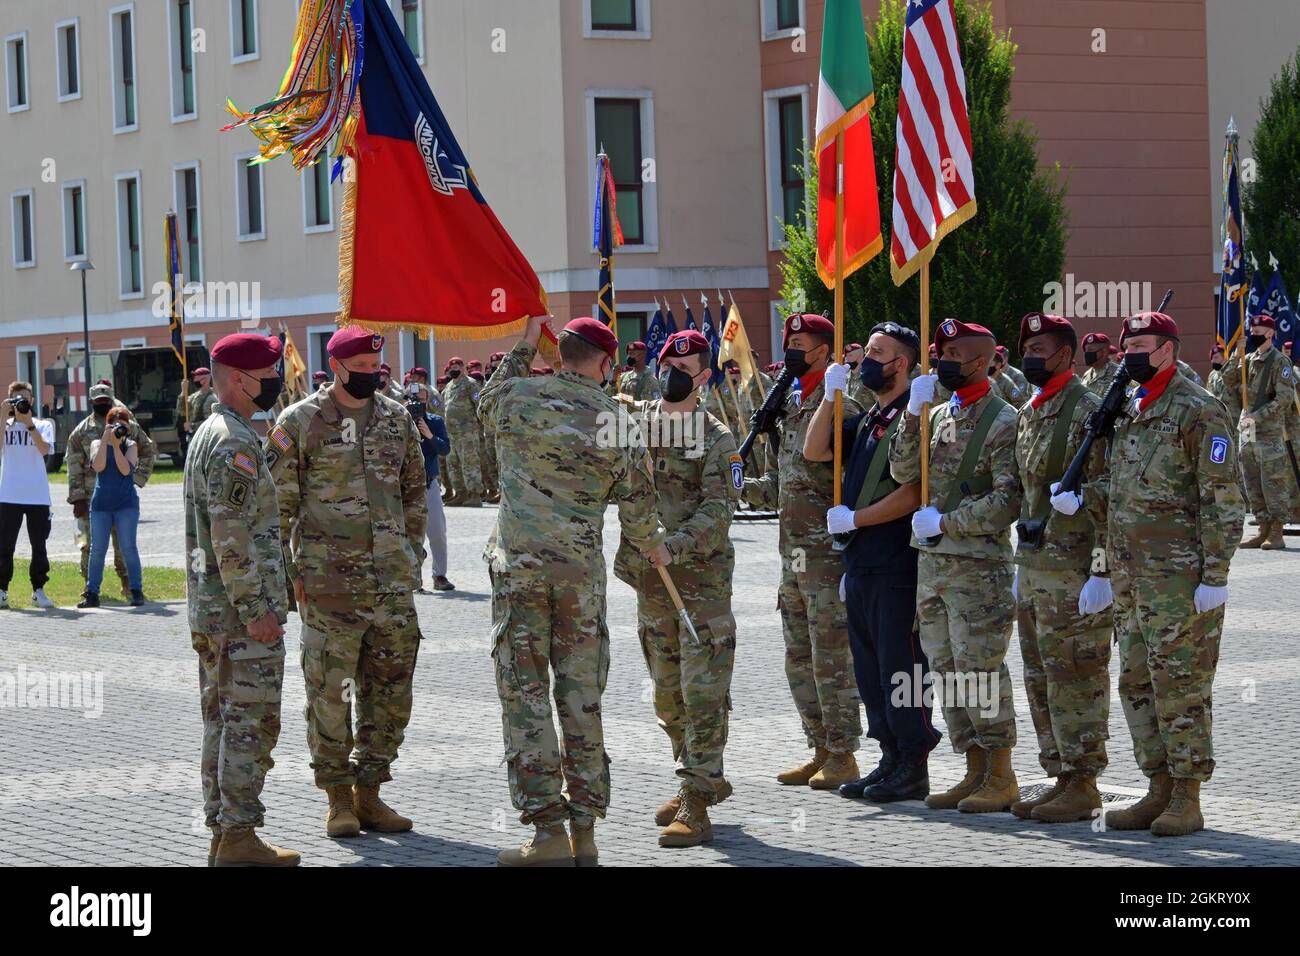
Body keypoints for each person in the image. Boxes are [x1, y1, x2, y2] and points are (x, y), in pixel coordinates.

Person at [479, 315, 664, 867]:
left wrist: (523, 343)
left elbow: (485, 400)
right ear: (607, 364)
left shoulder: (517, 396)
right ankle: (585, 831)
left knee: (526, 697)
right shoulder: (618, 419)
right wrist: (645, 560)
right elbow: (639, 514)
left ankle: (547, 833)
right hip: (580, 581)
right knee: (581, 700)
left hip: (520, 576)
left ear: (559, 354)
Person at [1064, 311, 1243, 836]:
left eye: (1141, 344)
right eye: (1127, 346)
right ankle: (1157, 786)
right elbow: (1122, 492)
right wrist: (1083, 500)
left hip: (1180, 579)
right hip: (1129, 572)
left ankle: (1188, 794)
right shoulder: (1127, 408)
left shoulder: (1199, 409)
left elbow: (1222, 499)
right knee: (1137, 680)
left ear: (1167, 347)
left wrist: (1216, 574)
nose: (1130, 354)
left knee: (1181, 682)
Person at [267, 325, 427, 839]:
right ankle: (337, 797)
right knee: (329, 693)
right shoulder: (300, 423)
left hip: (391, 585)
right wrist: (293, 578)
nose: (369, 380)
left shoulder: (395, 419)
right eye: (359, 373)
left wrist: (411, 554)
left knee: (391, 694)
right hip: (329, 585)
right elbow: (278, 508)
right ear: (336, 368)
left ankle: (371, 792)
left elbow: (414, 494)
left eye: (375, 372)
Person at [614, 329, 741, 847]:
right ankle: (699, 774)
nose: (675, 373)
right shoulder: (634, 426)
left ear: (704, 377)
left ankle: (696, 797)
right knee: (667, 695)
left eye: (687, 368)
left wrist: (677, 544)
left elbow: (720, 509)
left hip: (700, 582)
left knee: (703, 693)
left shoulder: (717, 437)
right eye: (669, 363)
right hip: (651, 582)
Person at [889, 318, 1022, 813]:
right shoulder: (938, 412)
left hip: (977, 566)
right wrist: (911, 412)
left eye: (954, 354)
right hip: (933, 567)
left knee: (980, 669)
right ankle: (973, 768)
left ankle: (1002, 771)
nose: (944, 361)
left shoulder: (1005, 420)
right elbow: (903, 470)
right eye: (940, 352)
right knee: (945, 671)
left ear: (983, 361)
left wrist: (947, 522)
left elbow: (1009, 499)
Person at [809, 323, 938, 803]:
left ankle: (913, 761)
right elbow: (814, 449)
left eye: (877, 353)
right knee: (870, 670)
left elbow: (912, 492)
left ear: (900, 363)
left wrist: (856, 518)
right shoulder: (869, 418)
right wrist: (830, 397)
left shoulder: (915, 415)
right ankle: (887, 755)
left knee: (902, 667)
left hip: (895, 563)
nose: (867, 360)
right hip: (861, 563)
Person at [183, 332, 298, 867]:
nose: (273, 382)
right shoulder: (231, 442)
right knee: (249, 723)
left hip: (214, 611)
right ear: (237, 379)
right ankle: (239, 837)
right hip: (237, 615)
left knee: (222, 722)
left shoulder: (213, 431)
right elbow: (232, 538)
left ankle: (223, 832)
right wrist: (258, 612)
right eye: (266, 373)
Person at [744, 313, 863, 790]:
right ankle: (818, 746)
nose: (792, 348)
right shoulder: (789, 404)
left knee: (831, 658)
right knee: (798, 658)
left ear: (823, 352)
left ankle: (843, 753)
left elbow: (856, 480)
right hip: (790, 556)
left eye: (801, 342)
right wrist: (737, 483)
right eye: (788, 340)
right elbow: (780, 483)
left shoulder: (840, 406)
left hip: (826, 555)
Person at [1008, 313, 1113, 822]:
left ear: (1067, 356)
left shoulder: (1088, 410)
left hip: (1074, 571)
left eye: (1041, 348)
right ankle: (1060, 774)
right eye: (1026, 347)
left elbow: (1113, 491)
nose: (1031, 356)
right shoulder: (1032, 409)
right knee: (1040, 676)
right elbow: (1028, 493)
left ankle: (1085, 780)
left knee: (1077, 674)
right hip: (1035, 568)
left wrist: (1101, 570)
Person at [66, 383, 156, 597]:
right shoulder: (81, 432)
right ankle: (89, 586)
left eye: (106, 400)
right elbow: (74, 464)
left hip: (123, 495)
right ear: (91, 403)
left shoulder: (129, 426)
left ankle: (127, 583)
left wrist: (137, 478)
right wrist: (77, 497)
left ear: (112, 399)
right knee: (90, 546)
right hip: (92, 498)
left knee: (124, 545)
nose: (103, 404)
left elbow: (148, 450)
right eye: (99, 402)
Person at [1219, 313, 1295, 549]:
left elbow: (1284, 398)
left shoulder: (1279, 362)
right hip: (1247, 429)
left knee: (1272, 482)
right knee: (1251, 480)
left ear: (1271, 333)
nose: (1254, 334)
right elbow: (1227, 380)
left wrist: (1257, 416)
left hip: (1268, 430)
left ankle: (1276, 532)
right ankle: (1262, 528)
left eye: (1259, 331)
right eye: (1252, 331)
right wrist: (1235, 354)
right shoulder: (1248, 358)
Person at [77, 407, 145, 608]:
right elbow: (98, 466)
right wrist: (107, 441)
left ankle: (136, 590)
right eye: (114, 425)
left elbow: (126, 470)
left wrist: (116, 446)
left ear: (128, 426)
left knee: (128, 548)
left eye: (122, 425)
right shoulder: (97, 443)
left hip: (126, 504)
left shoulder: (131, 445)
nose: (118, 429)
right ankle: (92, 593)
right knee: (97, 549)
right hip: (101, 505)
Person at [0, 381, 56, 609]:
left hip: (37, 495)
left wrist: (29, 424)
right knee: (4, 546)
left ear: (32, 401)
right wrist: (2, 418)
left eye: (25, 399)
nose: (21, 403)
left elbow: (44, 450)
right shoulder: (5, 425)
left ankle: (38, 590)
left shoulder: (43, 424)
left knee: (39, 546)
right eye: (16, 400)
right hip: (9, 494)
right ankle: (2, 590)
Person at [409, 383, 454, 591]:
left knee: (437, 531)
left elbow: (444, 449)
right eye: (414, 398)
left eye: (422, 398)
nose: (419, 402)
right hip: (406, 487)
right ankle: (413, 576)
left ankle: (440, 575)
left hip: (429, 482)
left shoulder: (435, 421)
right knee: (409, 534)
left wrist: (428, 435)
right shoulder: (398, 421)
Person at [442, 356, 484, 506]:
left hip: (467, 432)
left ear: (462, 367)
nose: (454, 369)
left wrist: (479, 428)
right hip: (451, 433)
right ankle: (460, 493)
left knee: (470, 463)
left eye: (457, 366)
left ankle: (474, 495)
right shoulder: (448, 387)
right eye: (452, 367)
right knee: (453, 463)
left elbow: (479, 404)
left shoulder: (471, 384)